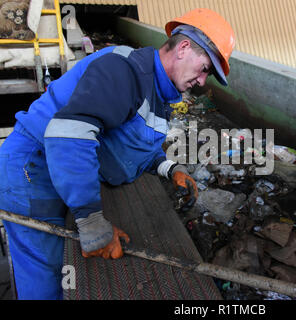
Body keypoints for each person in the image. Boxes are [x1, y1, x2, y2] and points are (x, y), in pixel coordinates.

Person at [0, 8, 235, 300]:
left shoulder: (158, 93)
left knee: (63, 271)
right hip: (31, 169)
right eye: (205, 69)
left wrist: (170, 168)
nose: (202, 82)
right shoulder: (124, 70)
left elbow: (133, 146)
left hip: (55, 169)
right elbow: (69, 135)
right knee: (46, 279)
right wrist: (91, 220)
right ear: (184, 48)